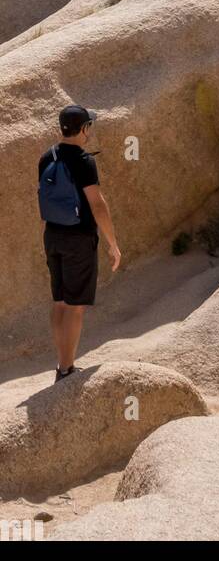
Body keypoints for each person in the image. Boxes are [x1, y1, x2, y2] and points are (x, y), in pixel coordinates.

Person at [38, 105, 121, 382]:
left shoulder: (45, 157)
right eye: (89, 127)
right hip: (79, 239)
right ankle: (66, 368)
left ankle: (62, 362)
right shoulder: (84, 161)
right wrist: (113, 243)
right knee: (75, 306)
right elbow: (97, 205)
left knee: (60, 301)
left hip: (52, 235)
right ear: (83, 128)